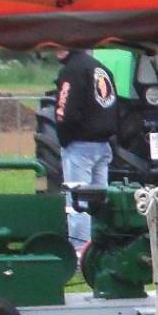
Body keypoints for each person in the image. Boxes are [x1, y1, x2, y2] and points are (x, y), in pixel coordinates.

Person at [52, 49, 119, 251]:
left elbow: (64, 111)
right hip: (103, 144)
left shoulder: (71, 70)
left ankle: (80, 253)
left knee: (78, 205)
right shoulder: (102, 68)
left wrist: (64, 138)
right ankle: (101, 249)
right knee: (100, 203)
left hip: (80, 146)